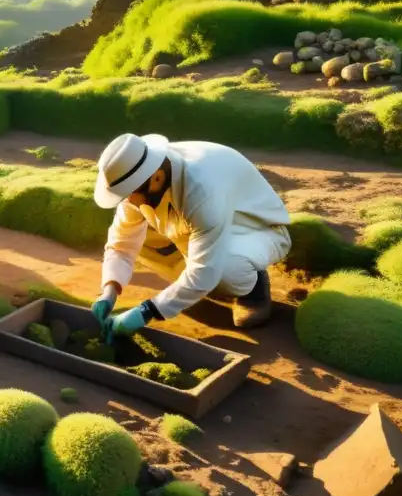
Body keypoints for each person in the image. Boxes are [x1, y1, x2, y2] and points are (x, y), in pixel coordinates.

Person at [89, 133, 291, 341]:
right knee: (140, 239)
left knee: (223, 271)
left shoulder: (203, 191)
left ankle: (254, 289)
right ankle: (189, 287)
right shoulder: (142, 176)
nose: (128, 201)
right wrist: (109, 290)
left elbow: (204, 271)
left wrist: (147, 311)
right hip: (201, 228)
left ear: (156, 179)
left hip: (253, 228)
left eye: (129, 194)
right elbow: (121, 244)